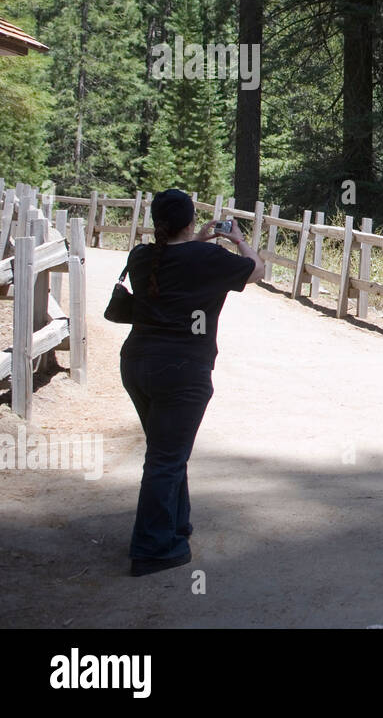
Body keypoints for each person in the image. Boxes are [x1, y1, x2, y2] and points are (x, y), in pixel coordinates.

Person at [119, 189, 265, 576]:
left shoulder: (142, 256)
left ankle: (174, 529)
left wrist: (196, 238)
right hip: (183, 371)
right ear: (189, 221)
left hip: (137, 364)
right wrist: (237, 239)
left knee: (167, 451)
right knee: (166, 457)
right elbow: (256, 269)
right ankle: (152, 550)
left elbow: (175, 258)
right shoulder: (209, 258)